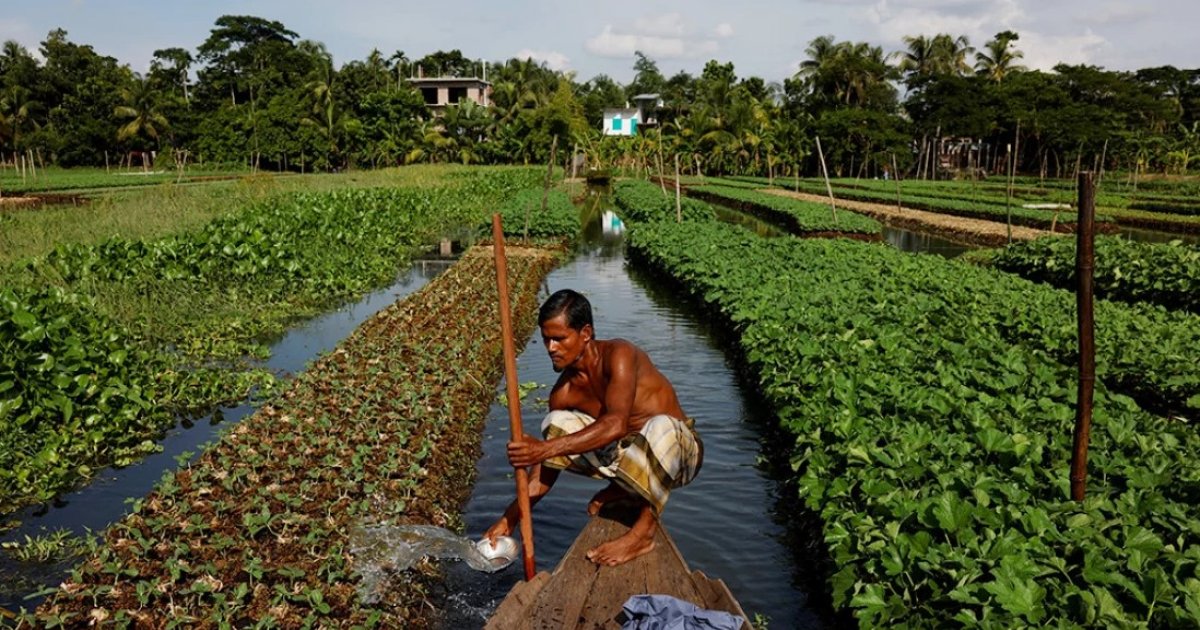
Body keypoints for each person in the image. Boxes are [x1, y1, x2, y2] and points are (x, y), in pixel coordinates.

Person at [484, 289, 703, 567]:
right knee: (556, 422)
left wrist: (543, 449)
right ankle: (625, 488)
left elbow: (616, 424)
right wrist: (510, 517)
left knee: (662, 426)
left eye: (559, 338)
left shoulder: (619, 355)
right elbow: (545, 469)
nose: (551, 348)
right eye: (546, 339)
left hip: (679, 456)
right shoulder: (563, 393)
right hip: (624, 458)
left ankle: (643, 534)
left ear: (585, 333)